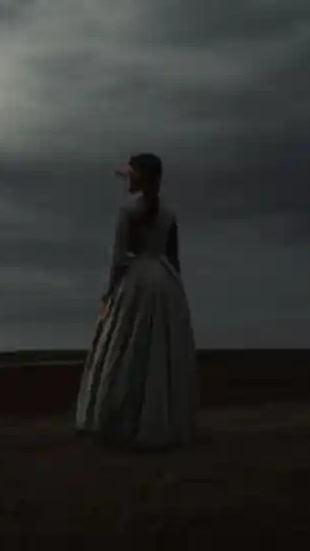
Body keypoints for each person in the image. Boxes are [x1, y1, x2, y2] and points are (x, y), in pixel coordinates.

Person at [74, 152, 199, 449]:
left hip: (135, 283)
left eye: (131, 175)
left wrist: (109, 294)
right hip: (164, 284)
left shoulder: (127, 212)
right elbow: (174, 258)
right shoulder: (169, 214)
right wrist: (177, 292)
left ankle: (118, 422)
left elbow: (118, 259)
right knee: (160, 353)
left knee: (124, 349)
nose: (127, 180)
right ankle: (164, 422)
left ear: (139, 178)